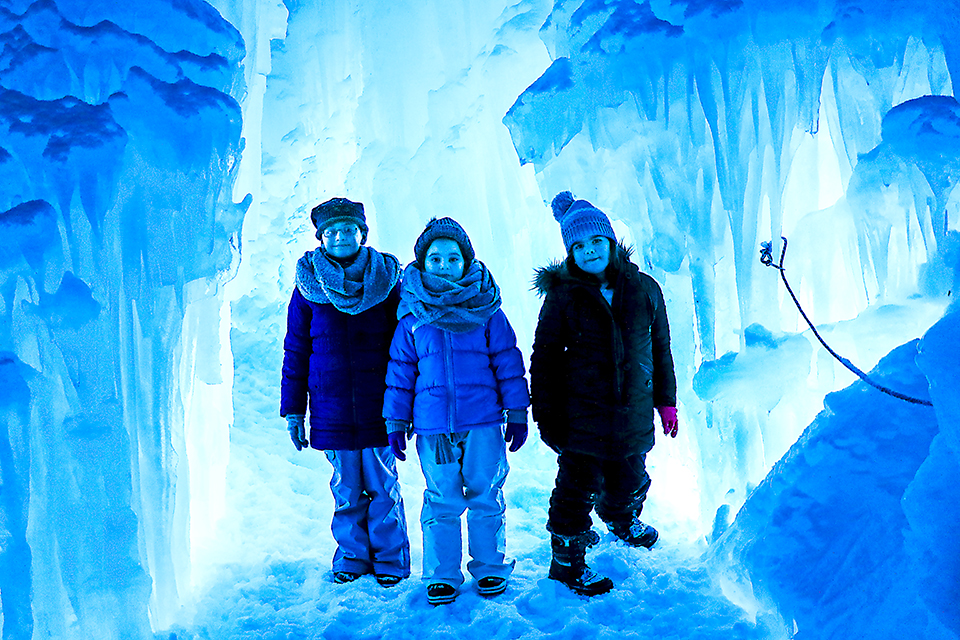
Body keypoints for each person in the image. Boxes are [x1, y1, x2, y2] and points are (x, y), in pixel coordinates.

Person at [530, 191, 679, 597]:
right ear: (569, 254)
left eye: (596, 242)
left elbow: (661, 348)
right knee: (576, 490)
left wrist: (666, 401)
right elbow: (543, 359)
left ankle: (621, 518)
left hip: (632, 414)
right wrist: (546, 417)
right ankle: (567, 563)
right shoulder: (563, 297)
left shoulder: (645, 290)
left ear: (611, 243)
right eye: (578, 246)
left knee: (630, 476)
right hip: (582, 419)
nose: (589, 251)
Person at [383, 217, 530, 606]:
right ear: (422, 262)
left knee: (485, 495)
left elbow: (508, 362)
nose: (444, 265)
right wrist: (396, 420)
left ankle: (489, 568)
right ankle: (442, 574)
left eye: (452, 257)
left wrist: (517, 411)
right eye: (435, 258)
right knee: (441, 499)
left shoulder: (487, 311)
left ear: (467, 261)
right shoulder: (412, 316)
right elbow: (400, 373)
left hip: (482, 422)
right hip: (433, 427)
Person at [280, 197, 411, 587]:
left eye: (348, 229)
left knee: (383, 485)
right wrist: (293, 411)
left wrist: (408, 405)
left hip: (380, 406)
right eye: (331, 231)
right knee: (346, 490)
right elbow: (296, 349)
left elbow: (406, 349)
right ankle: (353, 556)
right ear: (321, 238)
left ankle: (391, 558)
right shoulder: (307, 288)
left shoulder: (387, 283)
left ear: (362, 234)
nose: (340, 237)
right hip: (330, 407)